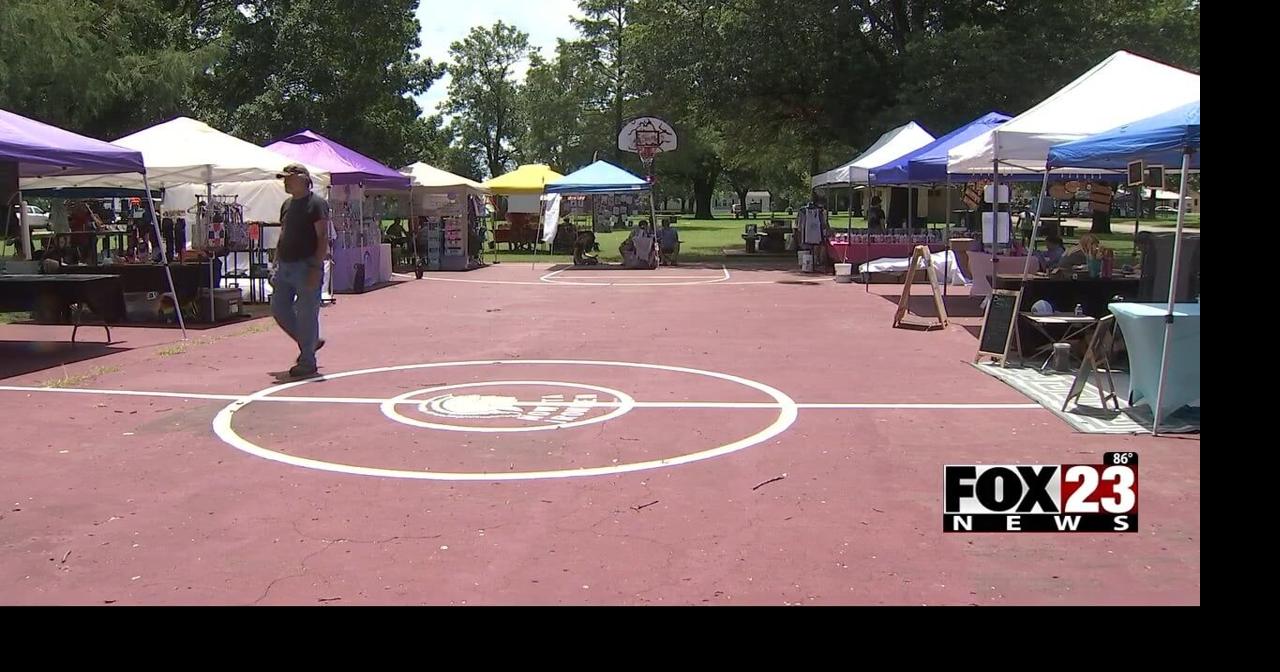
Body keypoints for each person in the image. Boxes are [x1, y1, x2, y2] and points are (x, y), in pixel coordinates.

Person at [272, 163, 329, 377]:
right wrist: (275, 263)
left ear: (303, 178)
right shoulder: (287, 204)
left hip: (306, 266)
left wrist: (316, 266)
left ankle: (307, 360)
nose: (285, 182)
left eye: (288, 177)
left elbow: (322, 236)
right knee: (279, 309)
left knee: (306, 313)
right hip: (285, 265)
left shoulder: (316, 204)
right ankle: (310, 342)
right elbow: (283, 233)